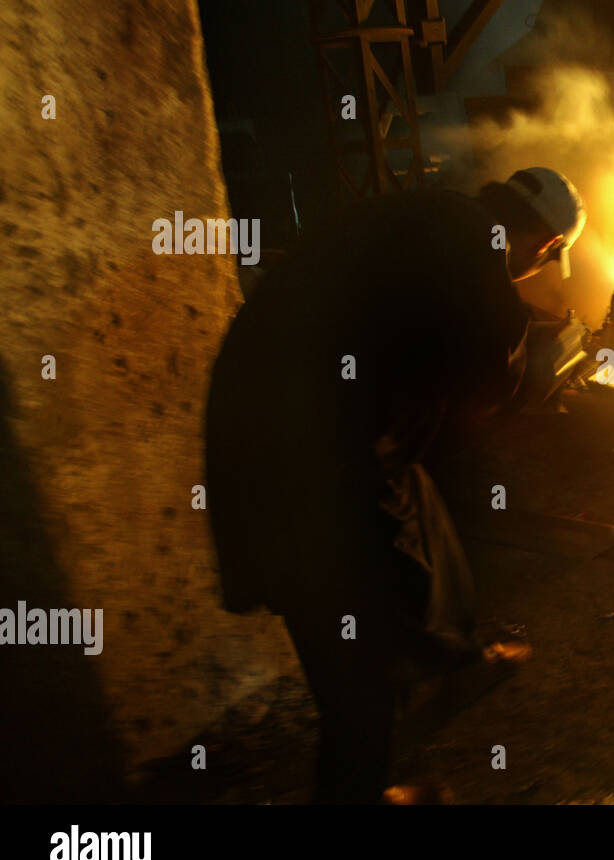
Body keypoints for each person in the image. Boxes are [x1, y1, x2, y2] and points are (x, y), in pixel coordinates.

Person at [204, 167, 586, 803]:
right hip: (315, 464)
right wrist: (540, 369)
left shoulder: (425, 213)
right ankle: (359, 791)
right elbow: (491, 389)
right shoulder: (482, 273)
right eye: (543, 261)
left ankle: (456, 659)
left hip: (258, 421)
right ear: (544, 243)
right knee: (355, 656)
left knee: (426, 517)